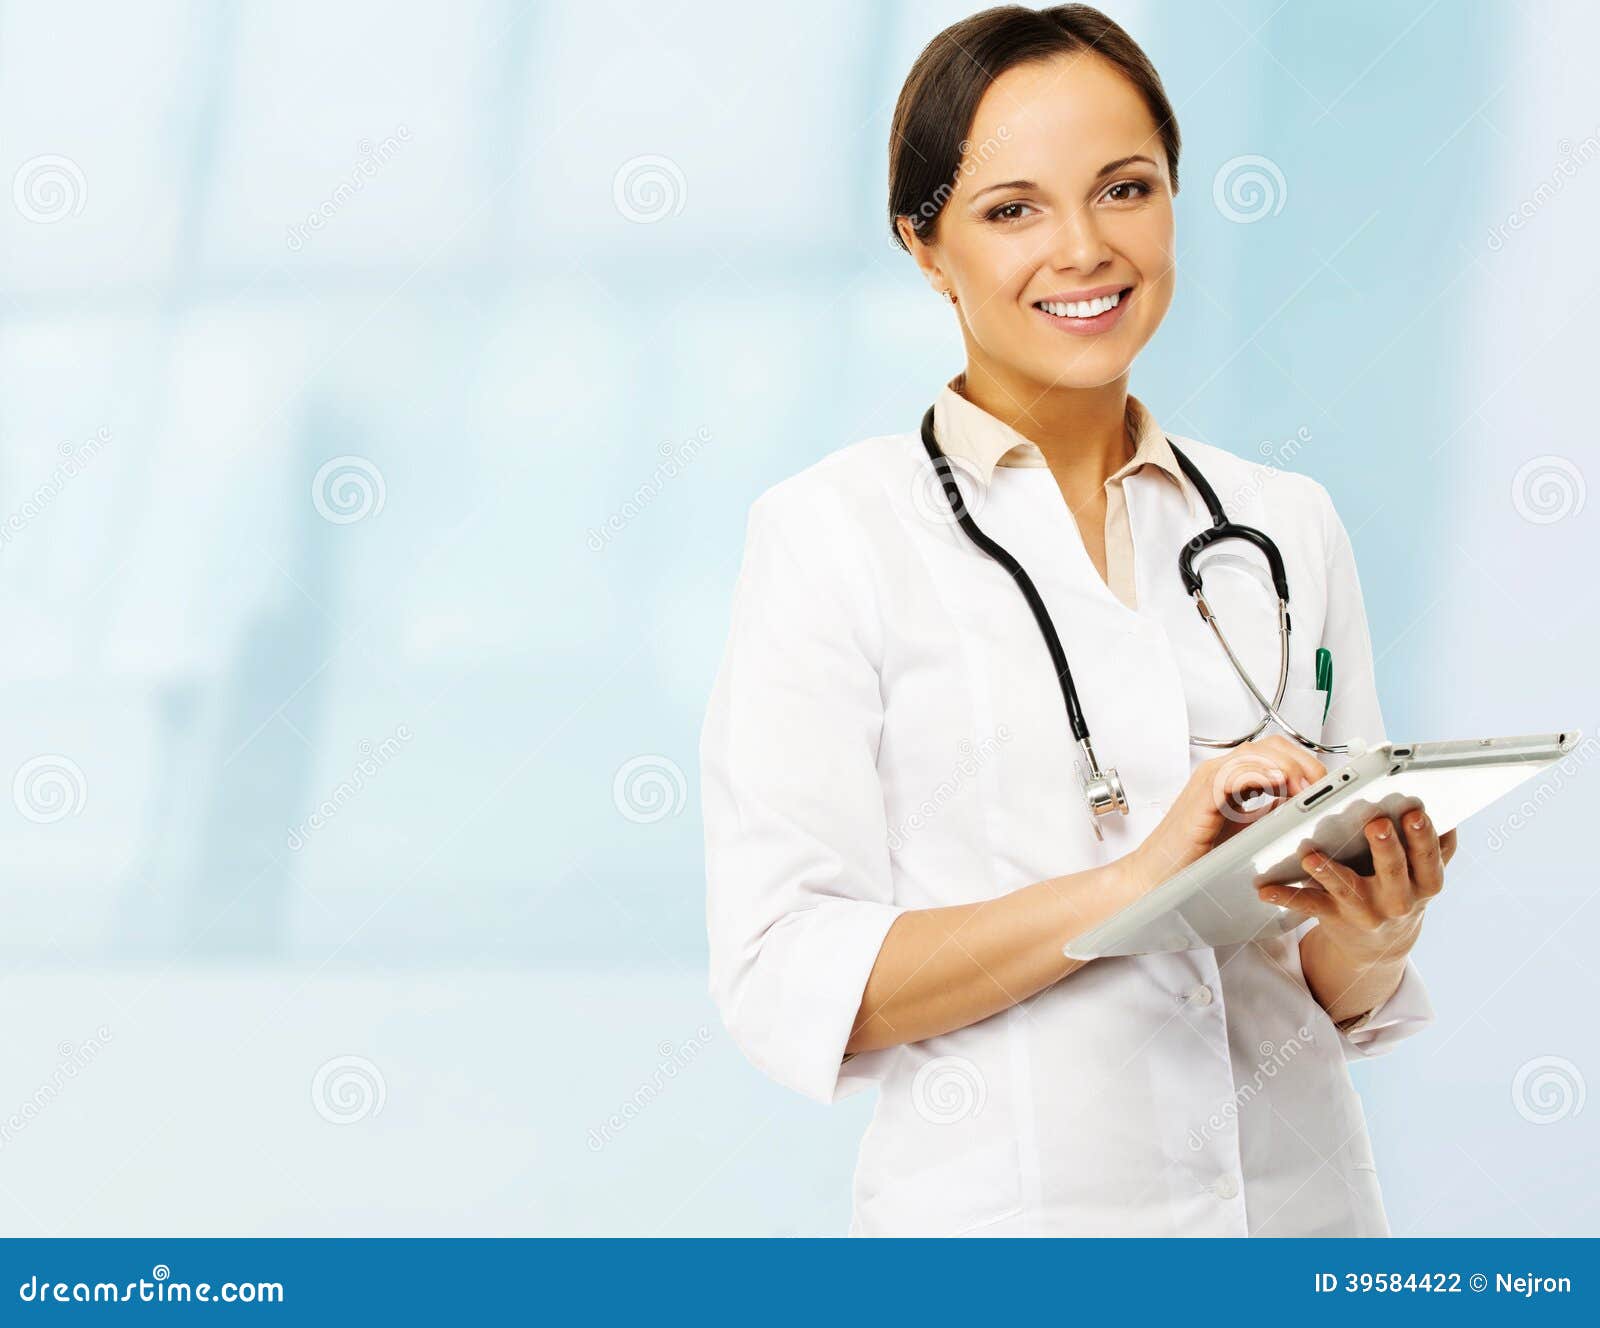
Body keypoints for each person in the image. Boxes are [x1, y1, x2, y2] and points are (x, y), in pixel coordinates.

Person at [701, 3, 1455, 1237]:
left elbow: (1328, 983)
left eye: (1124, 189)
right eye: (1013, 210)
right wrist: (1133, 885)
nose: (1085, 248)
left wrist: (1381, 923)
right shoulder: (831, 534)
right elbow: (789, 968)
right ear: (923, 243)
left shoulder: (1283, 522)